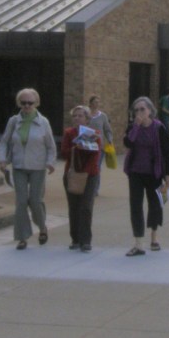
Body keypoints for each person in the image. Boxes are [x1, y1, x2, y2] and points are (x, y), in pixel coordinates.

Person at [0, 88, 56, 249]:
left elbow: (51, 146)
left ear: (36, 103)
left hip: (37, 167)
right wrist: (2, 160)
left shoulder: (43, 122)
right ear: (19, 103)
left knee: (36, 201)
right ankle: (22, 237)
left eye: (30, 103)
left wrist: (51, 162)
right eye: (23, 103)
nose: (27, 106)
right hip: (19, 166)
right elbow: (4, 142)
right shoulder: (13, 121)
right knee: (21, 201)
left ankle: (42, 227)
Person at [122, 95, 169, 256]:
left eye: (142, 109)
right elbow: (128, 143)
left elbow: (167, 152)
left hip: (154, 172)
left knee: (155, 204)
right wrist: (136, 126)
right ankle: (138, 243)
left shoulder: (159, 128)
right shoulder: (132, 128)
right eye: (136, 110)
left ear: (151, 111)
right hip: (136, 172)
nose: (139, 112)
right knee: (135, 206)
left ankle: (154, 237)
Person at [60, 105, 102, 252]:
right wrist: (75, 147)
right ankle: (75, 239)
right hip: (72, 174)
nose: (77, 118)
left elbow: (95, 155)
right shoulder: (69, 133)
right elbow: (64, 153)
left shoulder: (94, 134)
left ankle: (85, 240)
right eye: (75, 116)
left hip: (89, 174)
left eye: (80, 116)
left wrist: (85, 171)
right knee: (74, 207)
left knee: (86, 207)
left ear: (87, 119)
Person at [87, 94, 114, 175]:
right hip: (87, 145)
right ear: (91, 103)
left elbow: (107, 130)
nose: (97, 104)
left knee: (97, 167)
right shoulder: (86, 115)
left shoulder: (103, 116)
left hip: (99, 146)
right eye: (95, 102)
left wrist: (109, 139)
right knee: (87, 166)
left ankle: (95, 186)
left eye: (98, 102)